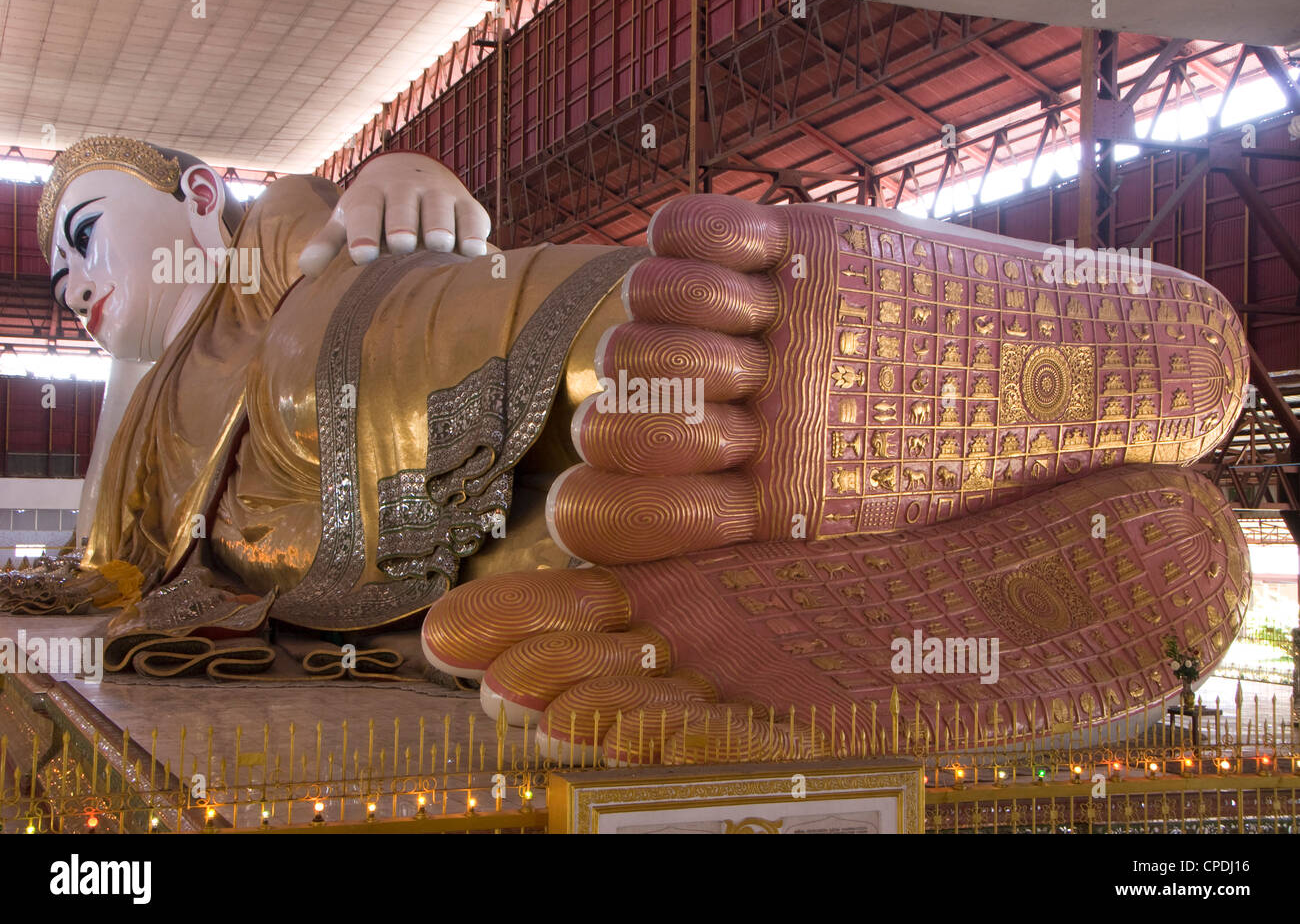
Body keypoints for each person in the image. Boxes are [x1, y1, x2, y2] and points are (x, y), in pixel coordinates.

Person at [5, 136, 1251, 757]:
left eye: (83, 232)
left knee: (353, 360)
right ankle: (816, 540)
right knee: (564, 575)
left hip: (359, 384)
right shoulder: (129, 464)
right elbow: (107, 590)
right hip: (394, 564)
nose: (68, 284)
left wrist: (395, 169)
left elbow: (320, 218)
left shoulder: (251, 257)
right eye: (52, 273)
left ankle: (704, 351)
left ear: (196, 200)